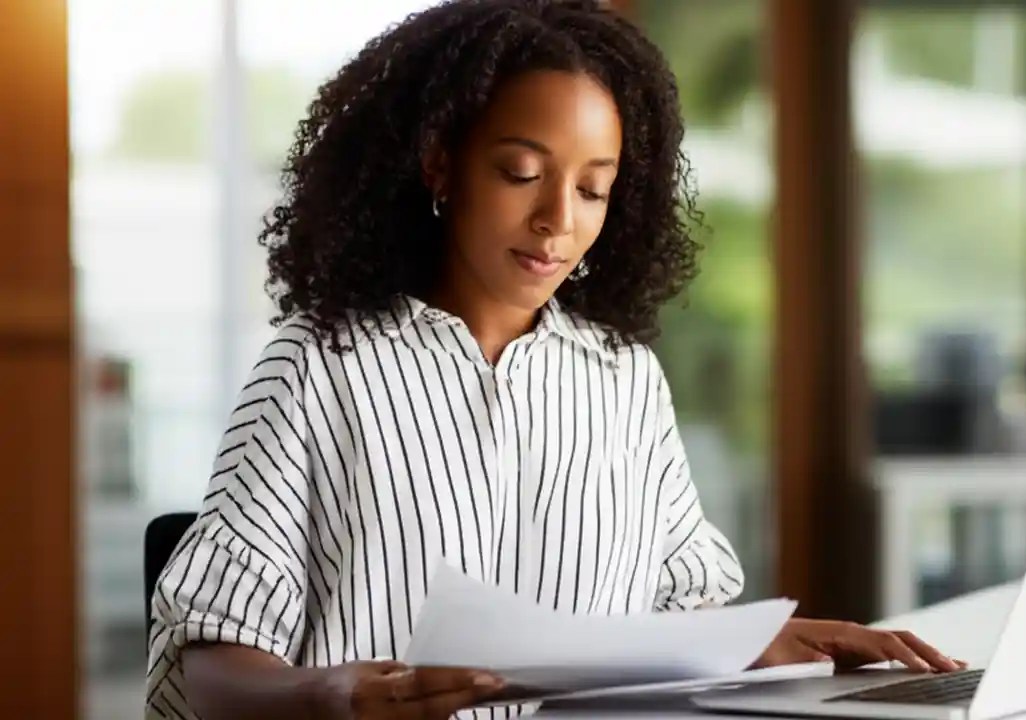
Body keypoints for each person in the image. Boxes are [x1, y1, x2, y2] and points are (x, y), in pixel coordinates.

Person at [145, 1, 963, 718]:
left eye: (592, 189)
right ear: (440, 165)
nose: (557, 220)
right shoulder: (318, 367)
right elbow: (208, 668)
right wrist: (338, 698)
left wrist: (770, 640)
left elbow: (677, 619)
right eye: (521, 173)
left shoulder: (623, 379)